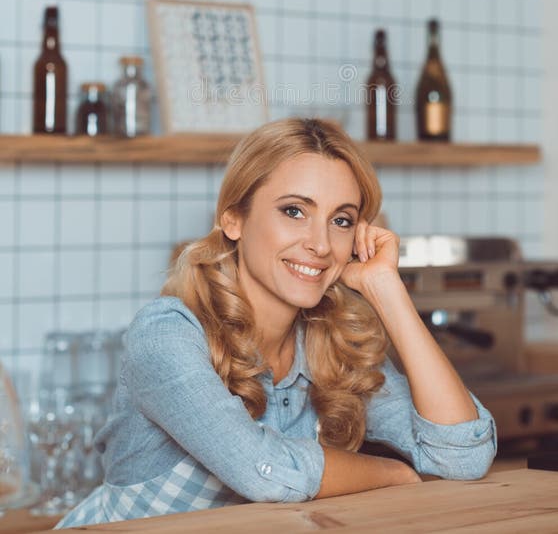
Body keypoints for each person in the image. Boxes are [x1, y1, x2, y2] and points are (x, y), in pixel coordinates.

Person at [55, 117, 496, 528]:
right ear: (233, 218)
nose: (321, 244)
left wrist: (387, 289)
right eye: (293, 211)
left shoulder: (334, 343)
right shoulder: (167, 333)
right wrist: (394, 473)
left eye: (341, 221)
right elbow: (262, 470)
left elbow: (463, 458)